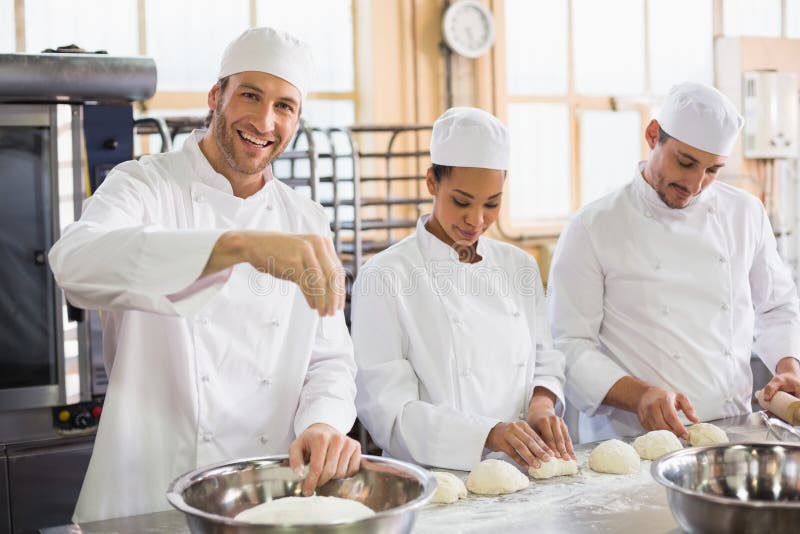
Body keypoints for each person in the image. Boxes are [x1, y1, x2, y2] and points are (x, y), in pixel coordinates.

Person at [48, 27, 360, 522]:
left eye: (285, 107)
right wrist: (234, 247)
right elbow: (74, 265)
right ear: (216, 96)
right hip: (145, 495)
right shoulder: (143, 184)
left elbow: (330, 359)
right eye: (251, 96)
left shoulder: (306, 220)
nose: (264, 121)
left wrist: (323, 422)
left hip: (263, 496)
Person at [547, 82, 800, 443]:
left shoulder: (745, 214)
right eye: (686, 162)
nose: (696, 184)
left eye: (713, 170)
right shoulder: (594, 226)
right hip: (634, 439)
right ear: (653, 136)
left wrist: (788, 366)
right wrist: (639, 395)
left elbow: (777, 306)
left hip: (732, 432)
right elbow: (568, 345)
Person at [351, 107, 574, 472]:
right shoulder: (385, 276)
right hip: (439, 482)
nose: (476, 220)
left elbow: (544, 358)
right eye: (461, 201)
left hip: (526, 471)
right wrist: (486, 434)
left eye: (492, 204)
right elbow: (388, 414)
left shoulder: (519, 266)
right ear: (431, 183)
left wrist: (542, 403)